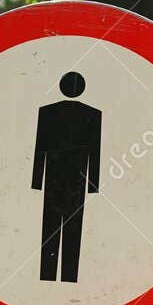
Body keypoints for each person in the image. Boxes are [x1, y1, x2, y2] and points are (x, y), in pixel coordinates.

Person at [31, 72, 102, 283]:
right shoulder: (93, 114)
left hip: (53, 178)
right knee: (73, 228)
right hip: (77, 178)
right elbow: (95, 154)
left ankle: (47, 276)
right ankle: (68, 278)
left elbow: (39, 151)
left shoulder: (47, 112)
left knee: (50, 228)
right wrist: (93, 185)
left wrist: (37, 181)